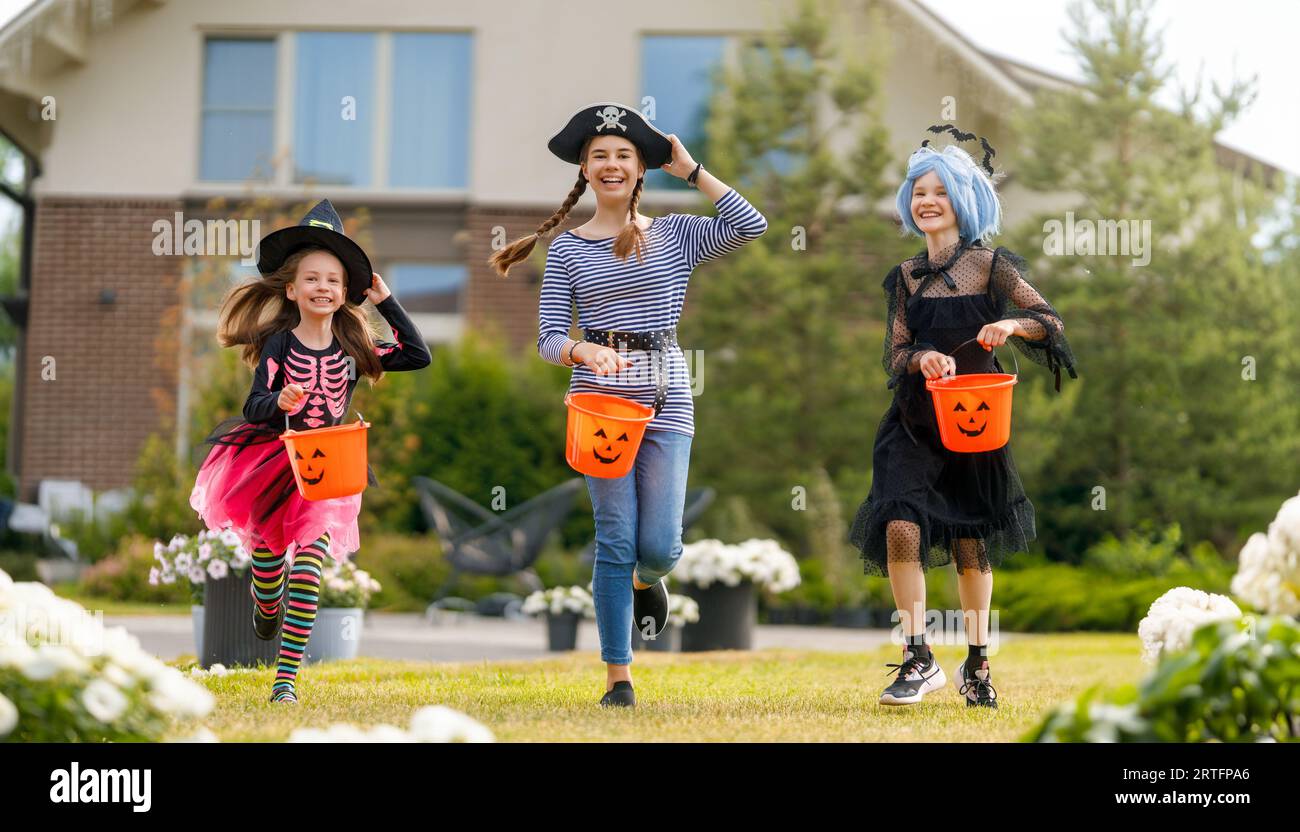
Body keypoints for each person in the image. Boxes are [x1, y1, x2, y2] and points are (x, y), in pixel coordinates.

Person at [491, 103, 767, 707]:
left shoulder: (674, 232)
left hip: (667, 398)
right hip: (600, 409)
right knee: (615, 539)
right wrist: (583, 352)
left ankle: (650, 580)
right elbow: (547, 339)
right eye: (599, 156)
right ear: (584, 171)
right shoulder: (566, 250)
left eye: (623, 155)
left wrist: (692, 170)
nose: (611, 165)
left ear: (642, 167)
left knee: (662, 544)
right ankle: (619, 676)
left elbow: (751, 225)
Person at [849, 127, 1077, 709]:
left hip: (974, 422)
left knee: (971, 543)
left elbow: (1050, 321)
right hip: (912, 421)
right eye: (918, 192)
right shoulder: (904, 277)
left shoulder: (991, 266)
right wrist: (921, 356)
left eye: (940, 193)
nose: (926, 201)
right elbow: (896, 353)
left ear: (962, 201)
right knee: (900, 523)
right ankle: (918, 657)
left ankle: (977, 663)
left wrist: (1010, 326)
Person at [190, 199, 431, 703]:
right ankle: (265, 603)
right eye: (313, 279)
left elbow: (417, 354)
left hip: (328, 470)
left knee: (310, 566)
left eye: (335, 281)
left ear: (347, 293)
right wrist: (279, 400)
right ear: (292, 289)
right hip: (272, 466)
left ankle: (285, 682)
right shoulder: (279, 345)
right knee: (271, 566)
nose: (324, 288)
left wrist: (385, 301)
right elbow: (253, 405)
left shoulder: (354, 347)